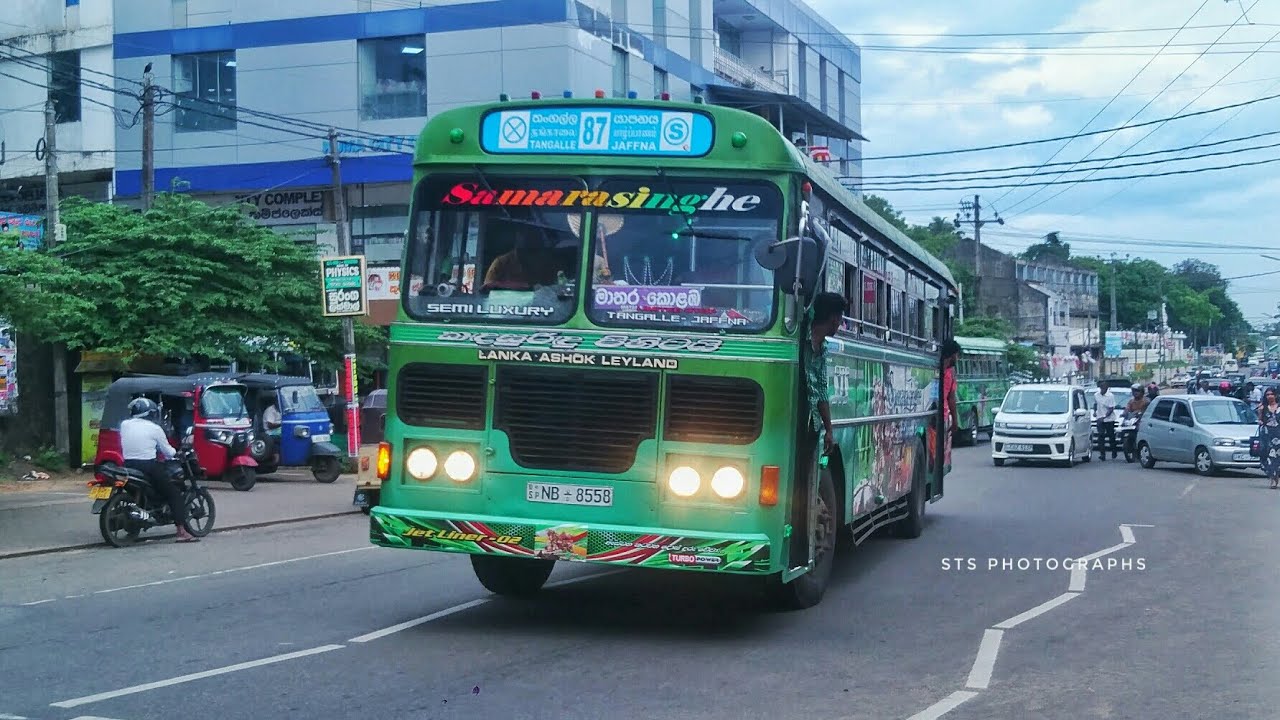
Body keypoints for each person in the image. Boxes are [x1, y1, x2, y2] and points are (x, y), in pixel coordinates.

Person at [121, 397, 198, 543]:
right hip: (147, 466)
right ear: (148, 414)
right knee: (174, 493)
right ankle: (181, 532)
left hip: (127, 465)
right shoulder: (154, 429)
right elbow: (168, 452)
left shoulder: (125, 425)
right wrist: (177, 453)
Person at [805, 292, 846, 460]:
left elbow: (822, 391)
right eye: (841, 319)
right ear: (834, 319)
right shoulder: (802, 340)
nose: (840, 324)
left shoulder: (822, 348)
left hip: (811, 424)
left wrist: (828, 430)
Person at [1257, 388, 1280, 489]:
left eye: (1271, 394)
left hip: (1278, 435)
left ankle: (1275, 479)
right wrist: (1261, 422)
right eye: (1267, 395)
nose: (1270, 396)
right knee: (1268, 457)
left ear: (1275, 395)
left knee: (1276, 458)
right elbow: (1260, 420)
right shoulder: (1263, 408)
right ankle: (1273, 478)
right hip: (1267, 435)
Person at [1093, 382, 1118, 460]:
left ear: (1107, 388)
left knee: (1111, 436)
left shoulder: (1110, 396)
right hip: (1099, 418)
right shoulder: (1096, 395)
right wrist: (1095, 412)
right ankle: (1102, 454)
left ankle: (1114, 451)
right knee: (1101, 436)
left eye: (1105, 388)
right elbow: (1095, 404)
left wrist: (1104, 417)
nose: (1103, 389)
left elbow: (1111, 409)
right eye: (1102, 388)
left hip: (1109, 419)